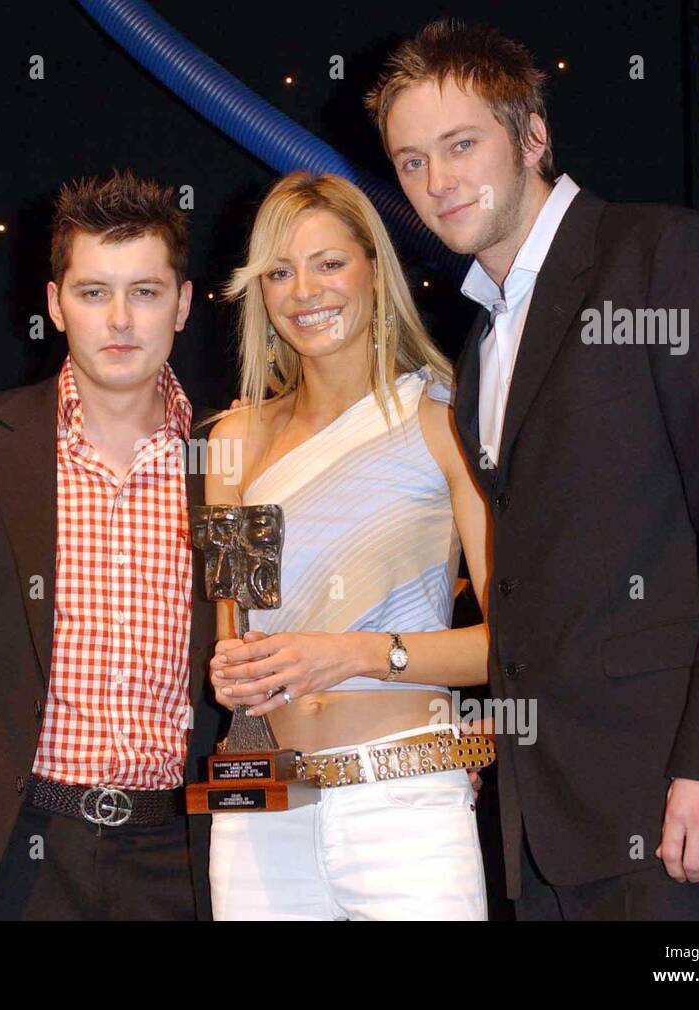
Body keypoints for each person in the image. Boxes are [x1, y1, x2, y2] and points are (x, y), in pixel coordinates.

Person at [366, 17, 699, 919]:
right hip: (548, 827)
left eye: (461, 144)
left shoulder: (661, 255)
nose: (438, 181)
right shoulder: (483, 341)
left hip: (683, 806)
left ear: (533, 135)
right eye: (412, 160)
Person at [0, 170, 224, 920]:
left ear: (184, 305)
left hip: (177, 854)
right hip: (2, 841)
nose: (121, 319)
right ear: (55, 305)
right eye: (94, 292)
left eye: (147, 291)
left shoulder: (232, 454)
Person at [206, 171, 495, 920]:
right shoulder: (233, 443)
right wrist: (234, 674)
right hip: (261, 810)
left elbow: (514, 645)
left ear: (374, 270)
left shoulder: (445, 422)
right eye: (279, 271)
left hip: (407, 802)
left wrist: (359, 653)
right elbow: (234, 637)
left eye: (329, 263)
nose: (305, 290)